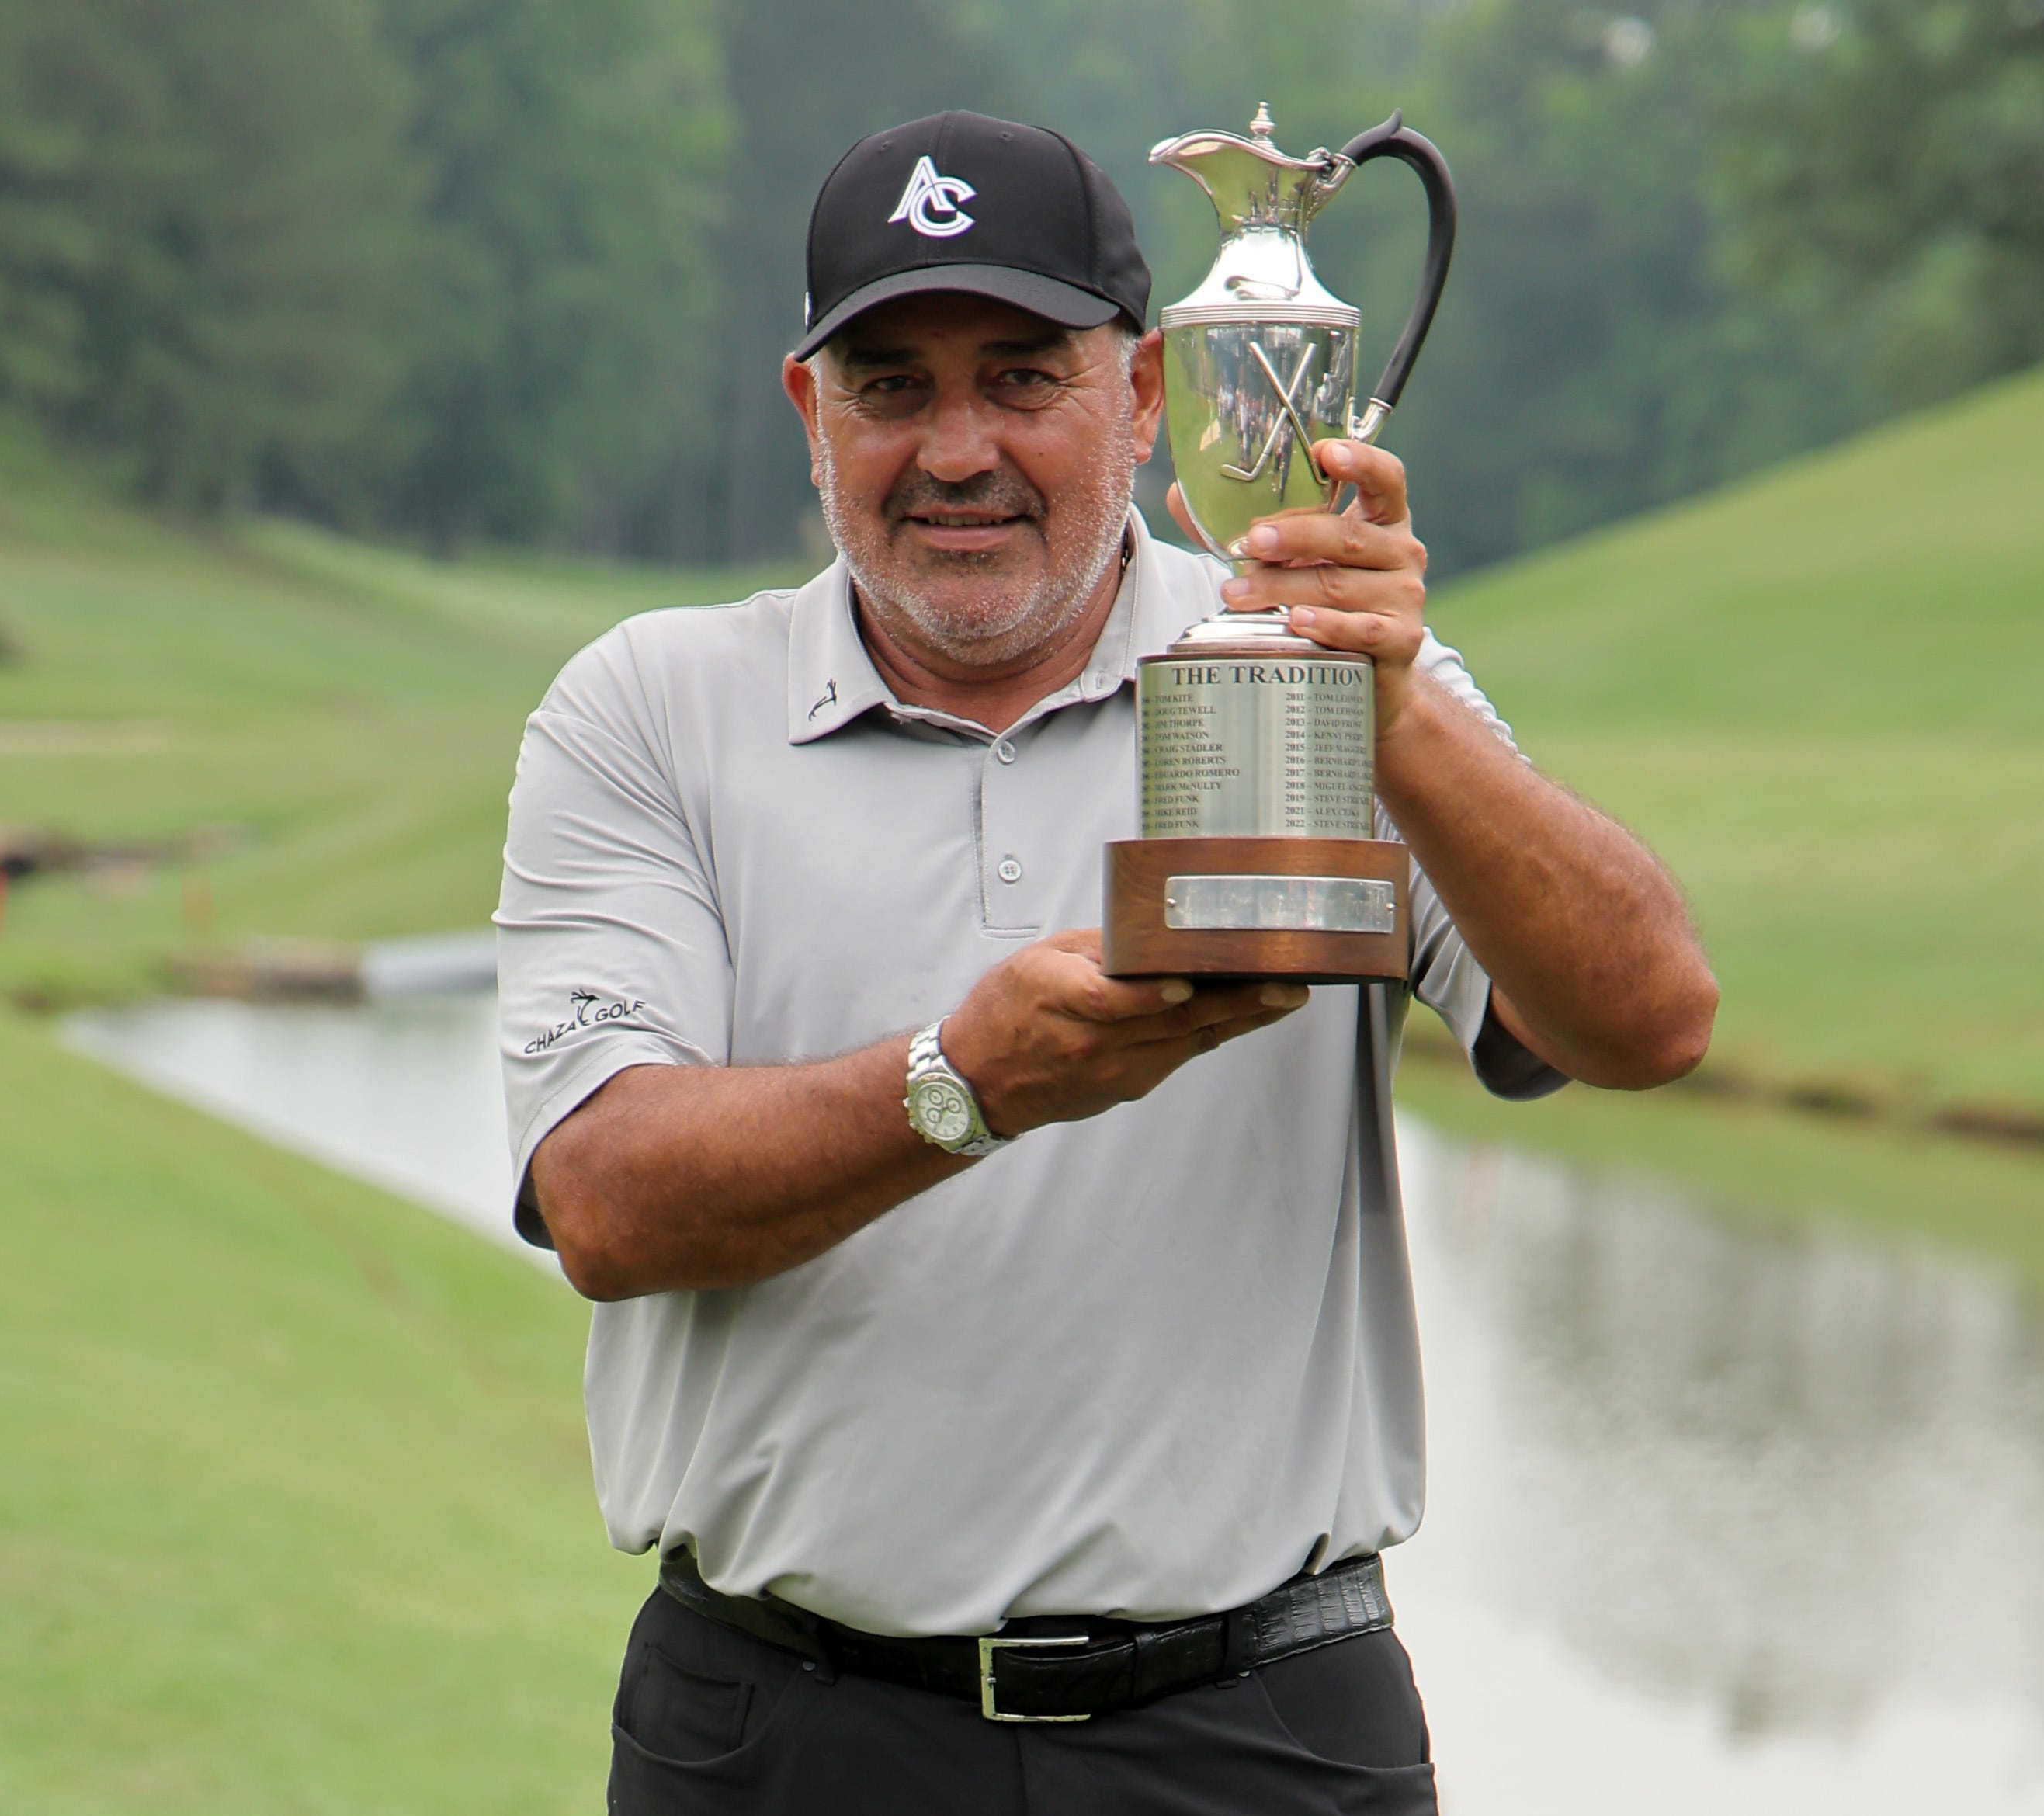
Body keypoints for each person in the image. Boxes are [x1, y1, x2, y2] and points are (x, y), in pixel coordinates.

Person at [497, 109, 1717, 1816]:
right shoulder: (648, 708)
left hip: (1257, 1731)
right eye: (893, 386)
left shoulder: (1317, 673)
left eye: (1022, 376)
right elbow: (610, 1204)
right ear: (809, 412)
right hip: (783, 1730)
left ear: (1147, 400)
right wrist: (966, 1086)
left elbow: (1648, 1020)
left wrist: (1391, 706)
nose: (957, 448)